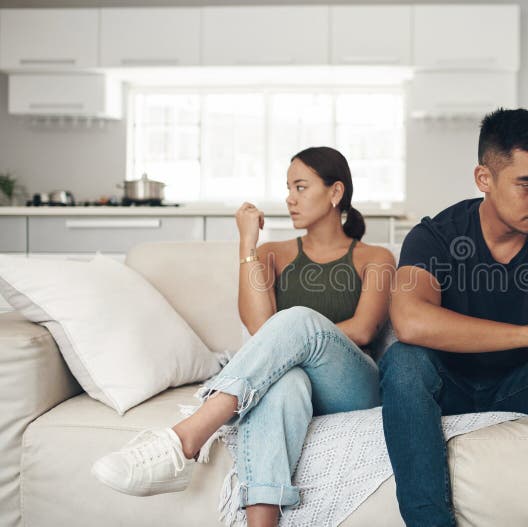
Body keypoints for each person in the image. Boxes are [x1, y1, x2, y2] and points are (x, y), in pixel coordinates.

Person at [92, 146, 395, 527]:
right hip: (293, 383)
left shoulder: (375, 257)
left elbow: (365, 328)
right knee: (283, 382)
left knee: (297, 321)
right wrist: (247, 245)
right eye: (287, 187)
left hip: (352, 385)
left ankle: (186, 437)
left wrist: (303, 334)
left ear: (335, 193)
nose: (289, 198)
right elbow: (259, 326)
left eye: (300, 187)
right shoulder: (271, 253)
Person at [380, 108, 528, 527]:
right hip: (447, 385)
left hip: (521, 387)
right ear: (484, 179)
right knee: (403, 361)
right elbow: (410, 322)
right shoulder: (436, 235)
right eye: (527, 185)